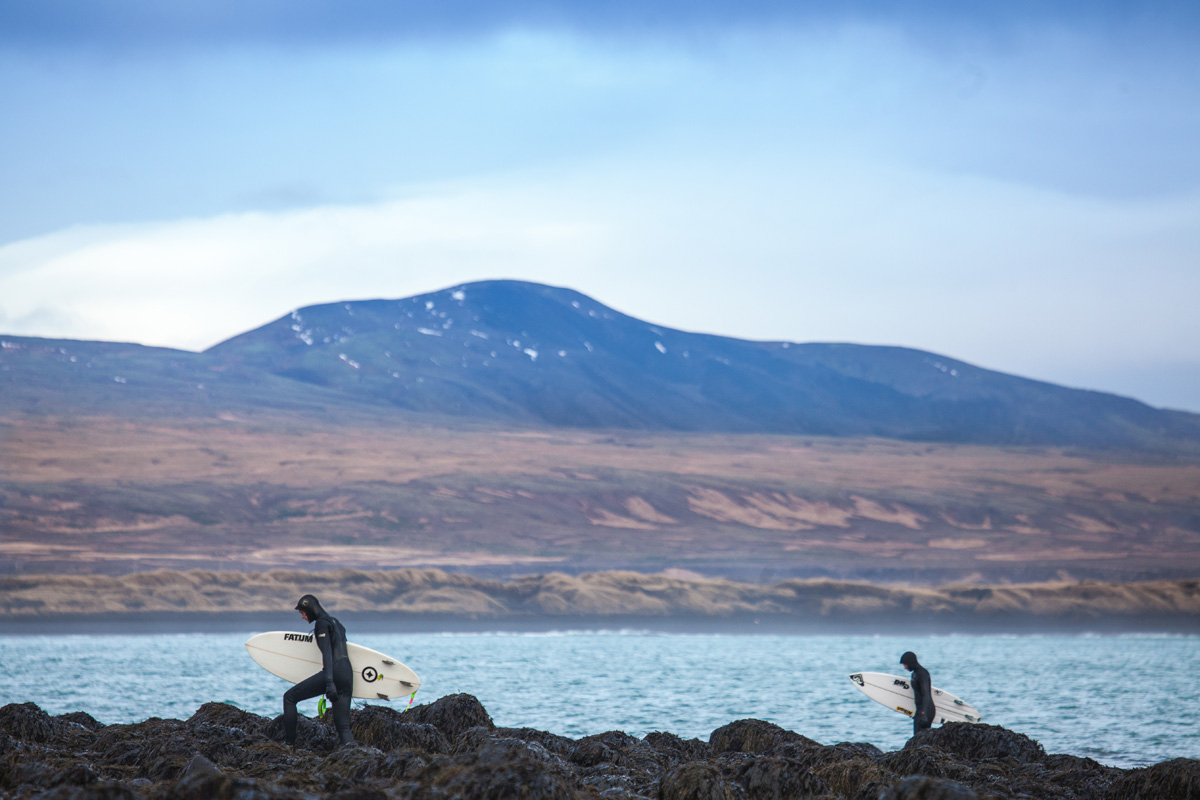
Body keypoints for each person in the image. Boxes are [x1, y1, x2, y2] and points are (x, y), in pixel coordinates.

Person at [284, 594, 355, 746]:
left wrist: (329, 682)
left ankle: (288, 746)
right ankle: (355, 755)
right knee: (343, 727)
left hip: (334, 672)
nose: (302, 617)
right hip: (347, 673)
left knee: (289, 698)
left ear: (310, 609)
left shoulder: (321, 624)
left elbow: (327, 653)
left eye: (302, 613)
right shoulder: (336, 622)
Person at [900, 651, 936, 736]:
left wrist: (924, 714)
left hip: (926, 710)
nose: (905, 667)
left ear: (911, 662)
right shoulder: (914, 674)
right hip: (920, 710)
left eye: (905, 664)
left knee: (919, 739)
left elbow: (926, 694)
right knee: (917, 739)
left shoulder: (922, 673)